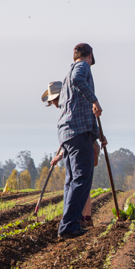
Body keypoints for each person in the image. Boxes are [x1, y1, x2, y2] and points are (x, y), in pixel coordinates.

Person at [56, 43, 106, 239]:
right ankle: (68, 225)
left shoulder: (67, 75)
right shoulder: (82, 67)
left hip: (67, 133)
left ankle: (70, 224)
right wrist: (95, 100)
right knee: (81, 178)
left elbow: (75, 107)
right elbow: (79, 79)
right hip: (78, 133)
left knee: (71, 181)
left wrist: (97, 133)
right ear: (90, 56)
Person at [45, 81, 99, 228]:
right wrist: (59, 156)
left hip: (87, 143)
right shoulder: (67, 110)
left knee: (80, 181)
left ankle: (84, 218)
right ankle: (79, 218)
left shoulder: (73, 106)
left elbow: (82, 129)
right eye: (52, 101)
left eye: (55, 99)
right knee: (78, 181)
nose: (55, 103)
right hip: (80, 141)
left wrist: (99, 137)